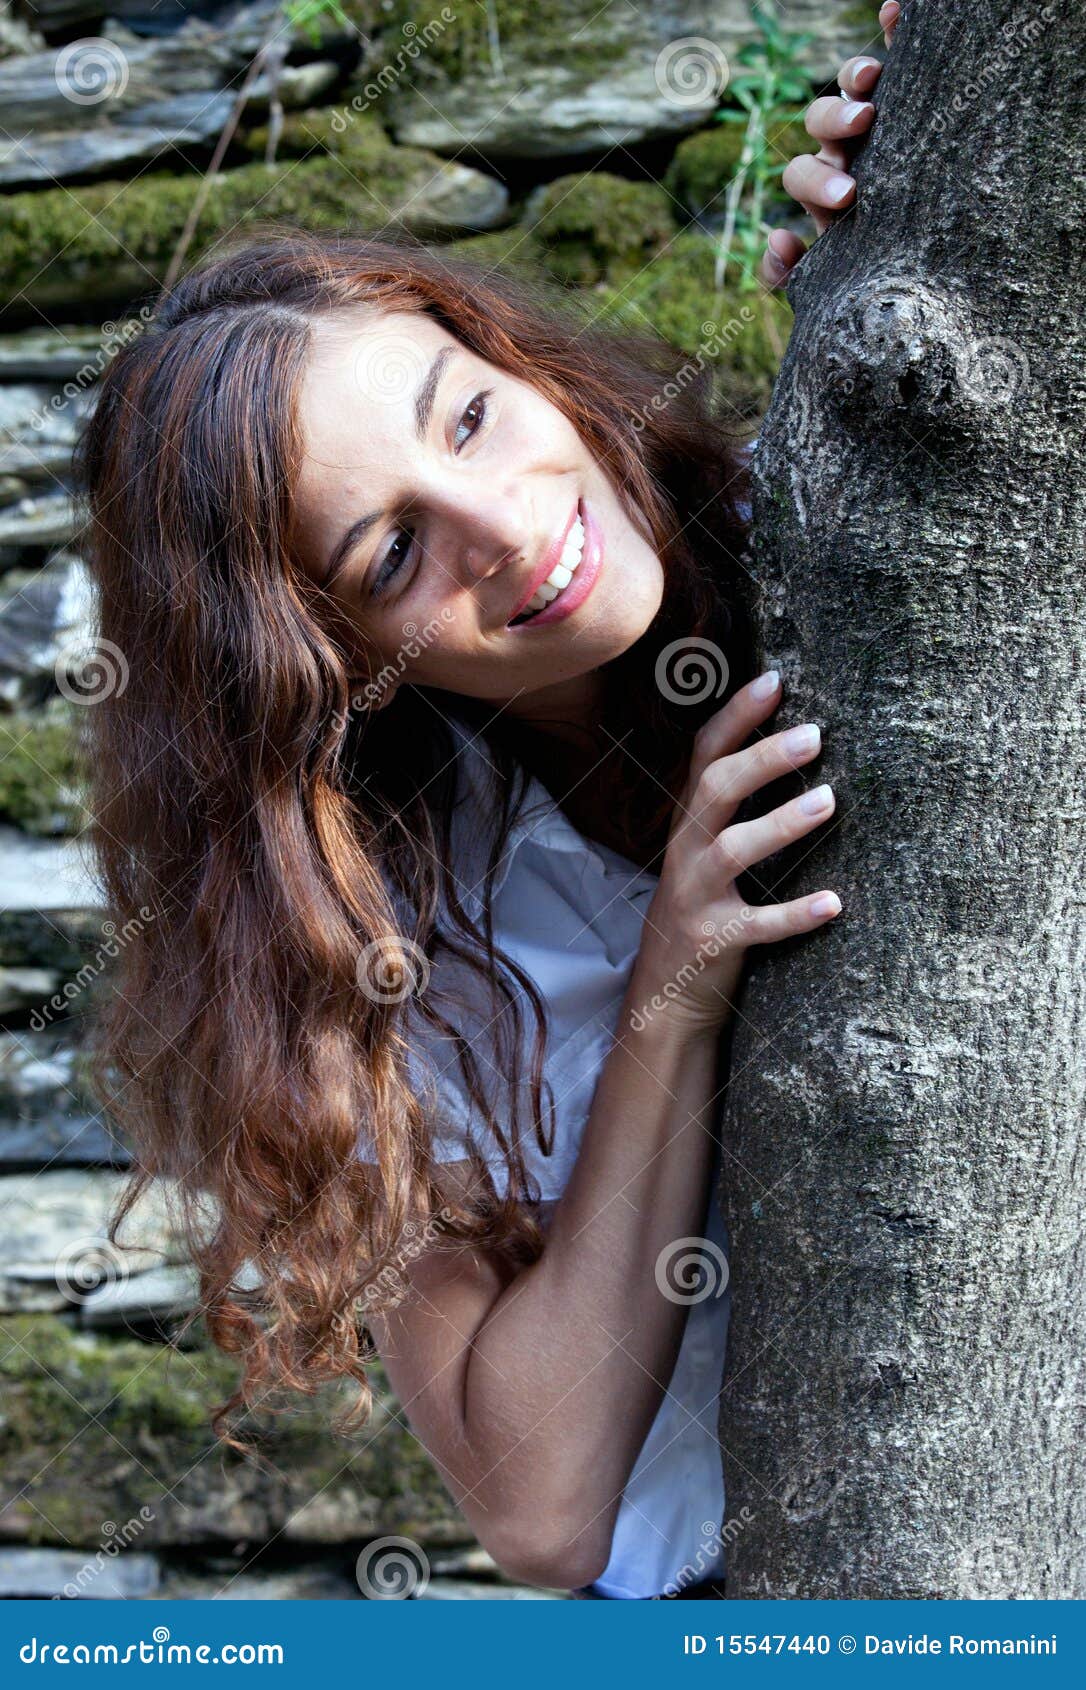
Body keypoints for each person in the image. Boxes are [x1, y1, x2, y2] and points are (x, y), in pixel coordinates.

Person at [76, 5, 900, 1601]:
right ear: (324, 663)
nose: (506, 529)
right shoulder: (360, 936)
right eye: (392, 552)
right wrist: (670, 990)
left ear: (510, 353)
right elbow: (539, 1512)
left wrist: (904, 274)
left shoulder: (828, 546)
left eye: (466, 416)